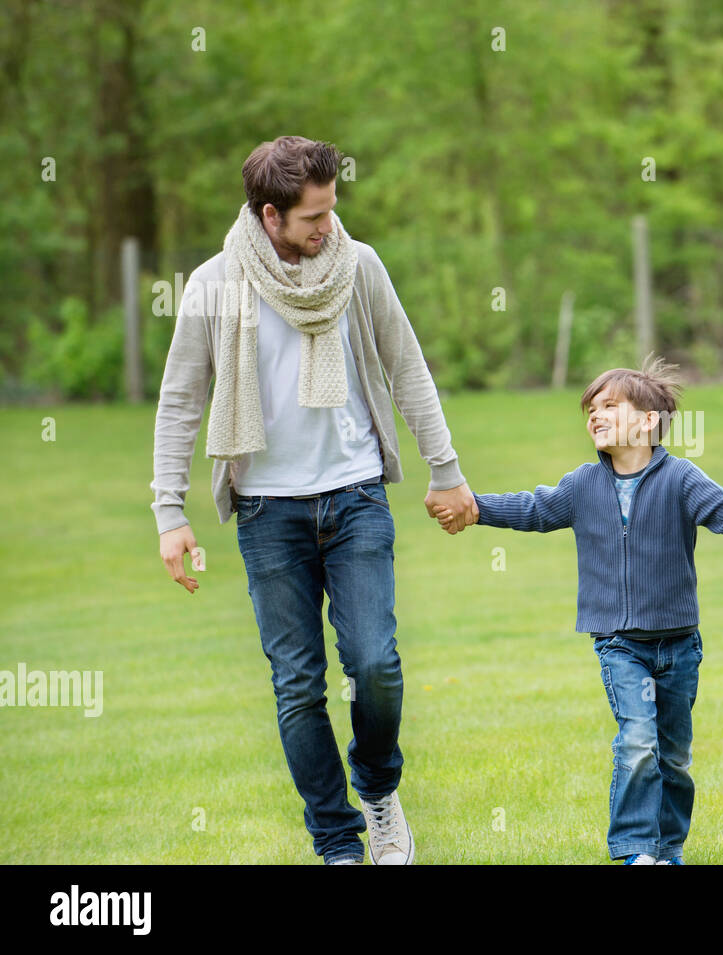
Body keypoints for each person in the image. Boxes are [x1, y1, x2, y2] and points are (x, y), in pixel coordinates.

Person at [151, 136, 478, 865]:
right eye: (312, 217)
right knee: (298, 684)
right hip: (269, 513)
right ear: (270, 216)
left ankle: (379, 789)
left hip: (356, 496)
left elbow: (407, 367)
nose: (328, 226)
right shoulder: (213, 284)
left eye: (332, 209)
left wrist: (445, 468)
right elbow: (180, 402)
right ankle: (336, 840)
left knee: (375, 663)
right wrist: (169, 513)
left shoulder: (358, 269)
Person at [435, 357, 723, 864]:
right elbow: (533, 509)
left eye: (609, 406)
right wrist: (476, 507)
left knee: (674, 759)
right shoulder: (582, 485)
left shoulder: (680, 477)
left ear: (648, 422)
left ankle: (667, 851)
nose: (595, 415)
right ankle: (636, 851)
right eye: (590, 409)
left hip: (679, 645)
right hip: (619, 642)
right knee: (638, 742)